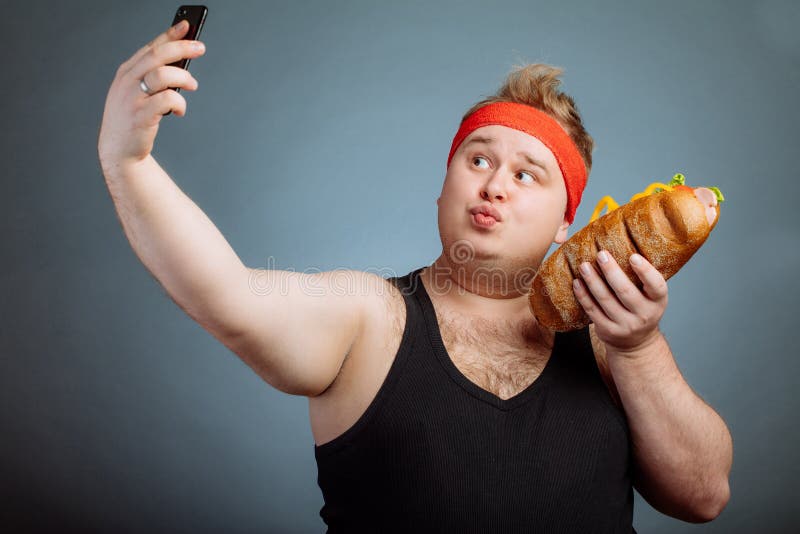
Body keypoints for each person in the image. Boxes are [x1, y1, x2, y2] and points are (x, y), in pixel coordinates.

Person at [98, 20, 733, 533]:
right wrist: (129, 164)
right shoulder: (370, 318)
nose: (492, 185)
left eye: (527, 173)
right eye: (478, 158)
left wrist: (639, 347)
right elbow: (229, 295)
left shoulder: (611, 339)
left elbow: (703, 496)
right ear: (443, 189)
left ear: (566, 222)